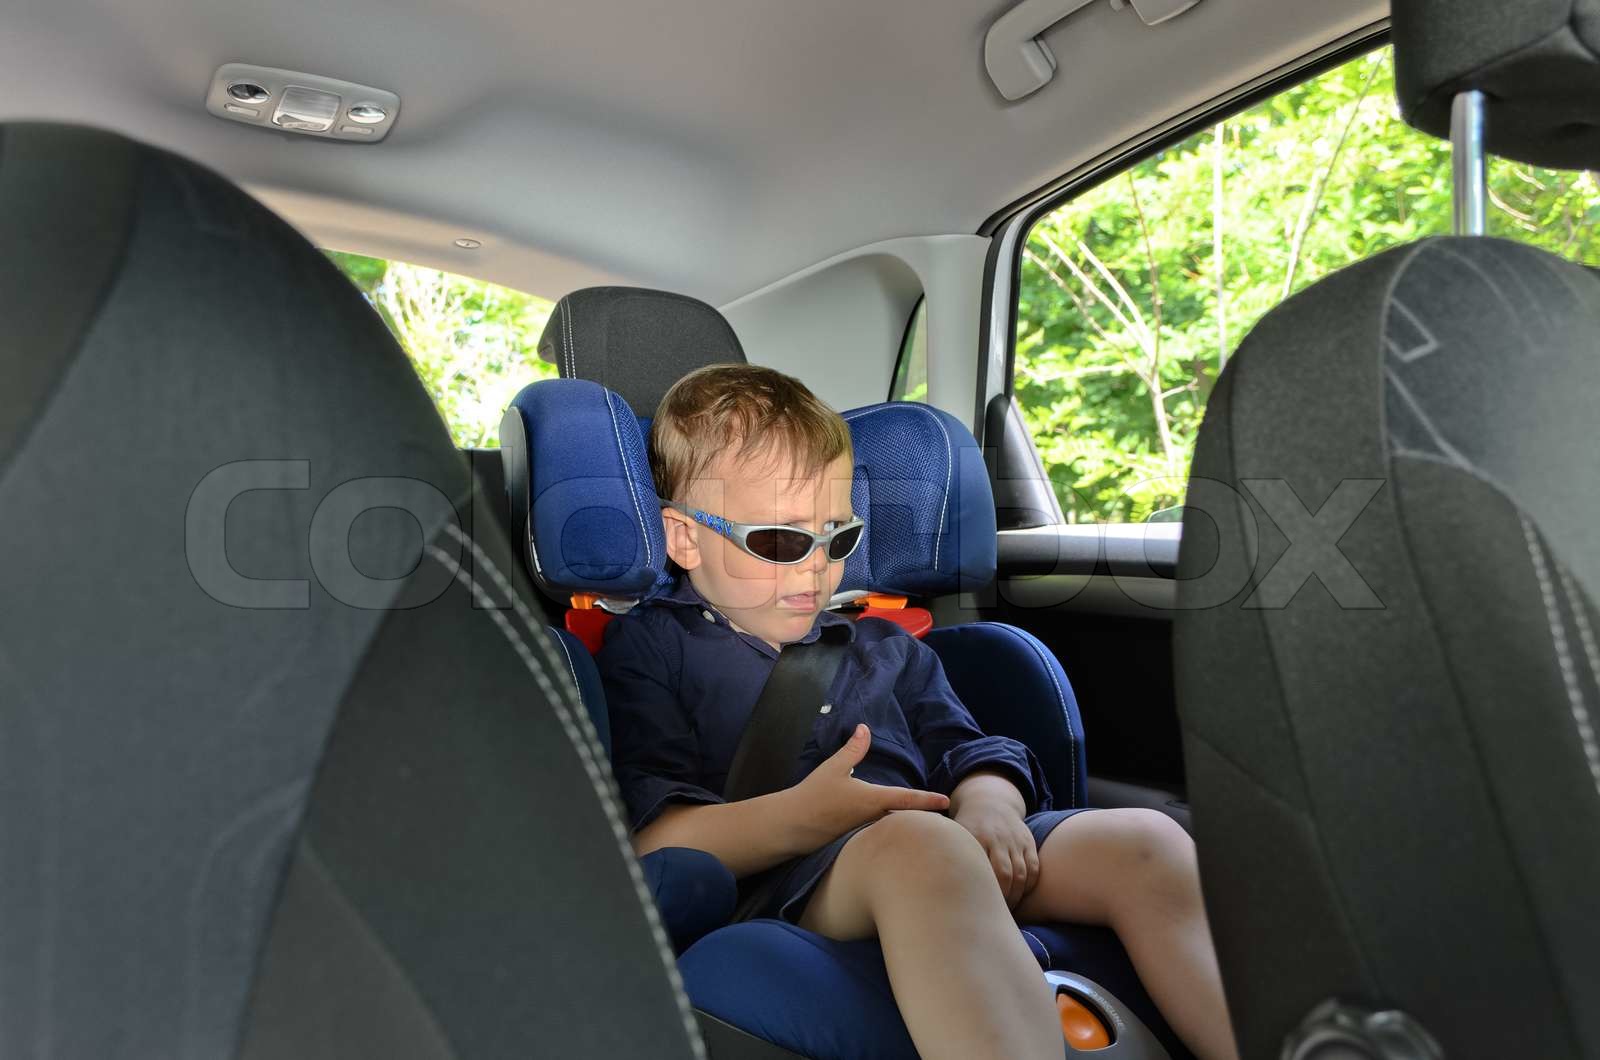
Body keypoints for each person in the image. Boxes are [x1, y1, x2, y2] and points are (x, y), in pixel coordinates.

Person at [597, 363, 1237, 1060]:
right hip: (794, 879)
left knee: (1145, 841)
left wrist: (989, 805)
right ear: (685, 538)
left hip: (946, 844)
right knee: (919, 847)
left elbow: (967, 746)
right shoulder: (654, 647)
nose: (815, 568)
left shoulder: (880, 647)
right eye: (779, 541)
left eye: (836, 538)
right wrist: (801, 818)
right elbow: (652, 844)